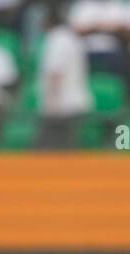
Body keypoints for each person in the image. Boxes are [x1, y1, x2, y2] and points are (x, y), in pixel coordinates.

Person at [38, 3, 92, 148]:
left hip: (62, 107)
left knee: (56, 153)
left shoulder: (56, 39)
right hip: (76, 103)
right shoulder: (71, 37)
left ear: (48, 21)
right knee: (68, 152)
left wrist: (51, 106)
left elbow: (56, 73)